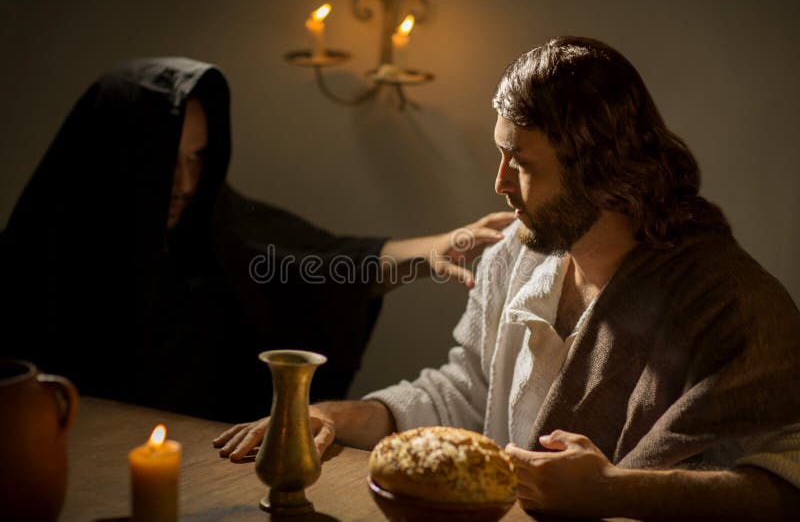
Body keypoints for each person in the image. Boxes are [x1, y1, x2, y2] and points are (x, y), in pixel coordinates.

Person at [214, 37, 800, 519]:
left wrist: (615, 490)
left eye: (520, 164)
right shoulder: (515, 258)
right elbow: (465, 395)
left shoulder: (734, 305)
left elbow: (786, 482)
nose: (499, 183)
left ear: (601, 171)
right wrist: (334, 417)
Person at [0, 57, 513, 423]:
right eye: (166, 163)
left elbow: (315, 267)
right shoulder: (47, 244)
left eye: (197, 159)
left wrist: (429, 251)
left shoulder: (214, 222)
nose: (183, 184)